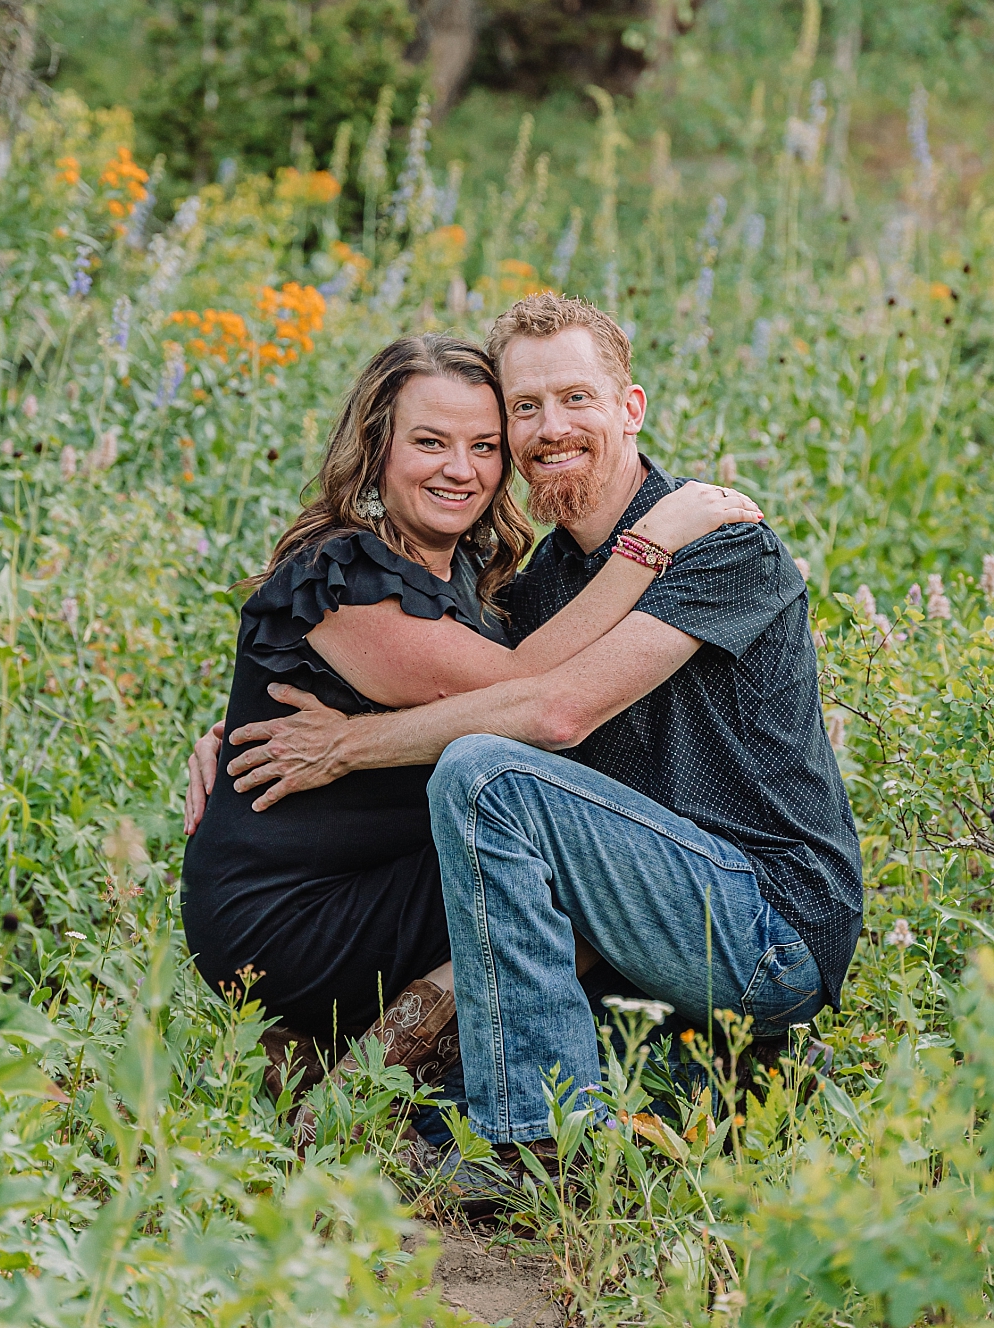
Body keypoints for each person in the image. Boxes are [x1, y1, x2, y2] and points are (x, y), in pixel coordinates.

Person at [195, 294, 863, 1157]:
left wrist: (350, 747)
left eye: (576, 398)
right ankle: (405, 1085)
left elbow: (552, 710)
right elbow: (457, 677)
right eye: (525, 408)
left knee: (485, 777)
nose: (551, 428)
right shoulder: (543, 589)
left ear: (630, 408)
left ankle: (537, 1145)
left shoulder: (718, 540)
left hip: (761, 924)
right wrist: (228, 735)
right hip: (627, 921)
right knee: (446, 1116)